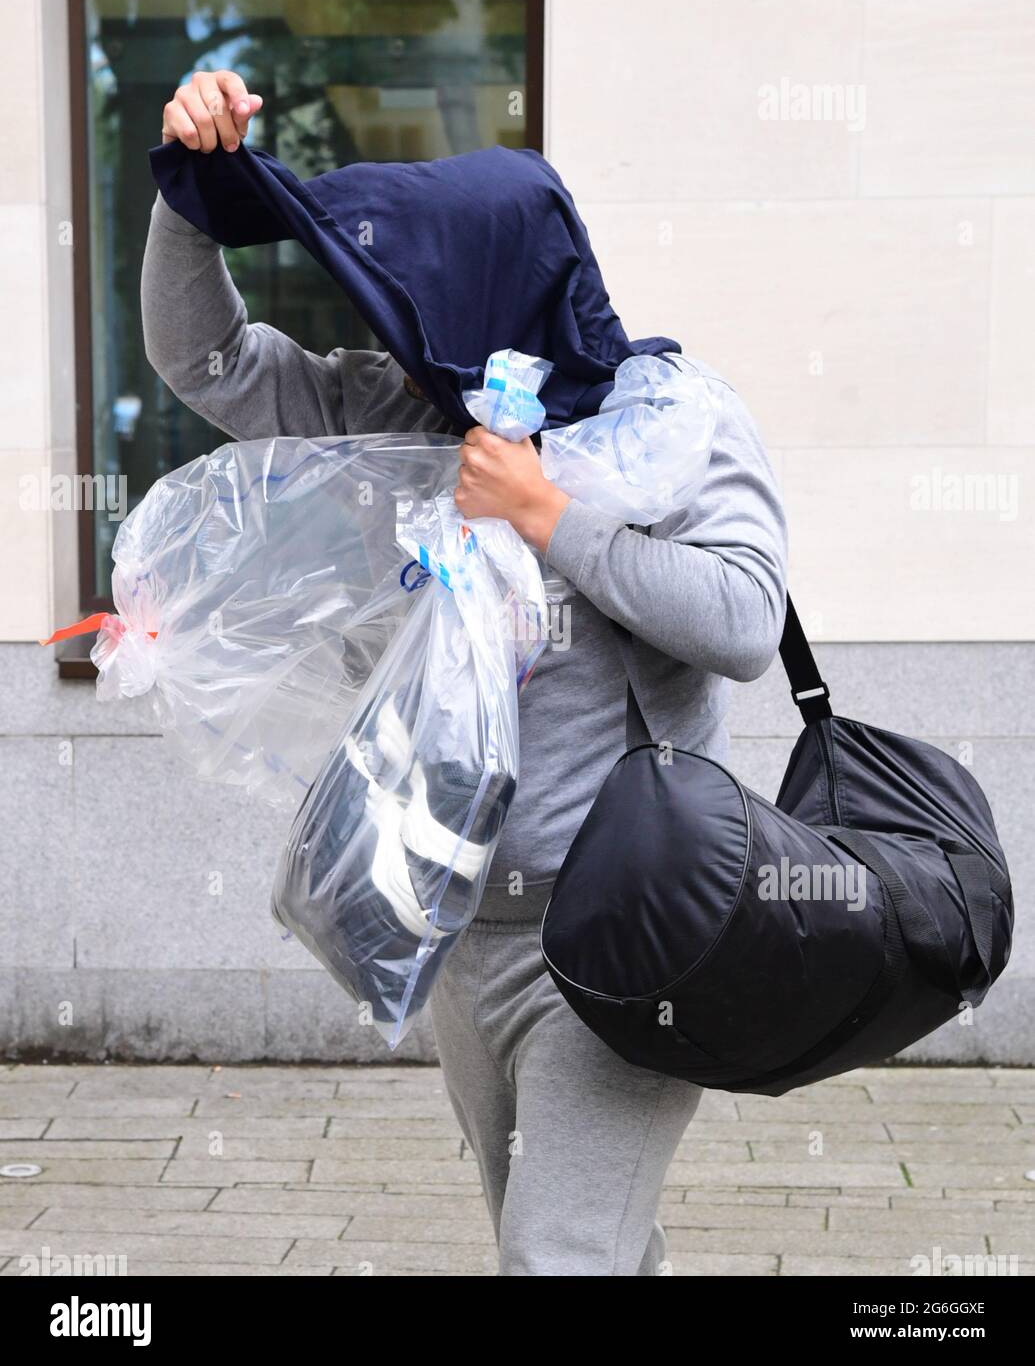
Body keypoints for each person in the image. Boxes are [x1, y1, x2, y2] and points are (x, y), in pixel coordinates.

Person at [143, 70, 788, 1276]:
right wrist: (187, 187)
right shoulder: (399, 408)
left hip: (628, 933)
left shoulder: (675, 422)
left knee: (556, 1256)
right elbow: (210, 361)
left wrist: (552, 516)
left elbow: (747, 622)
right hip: (463, 934)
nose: (391, 331)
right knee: (583, 1248)